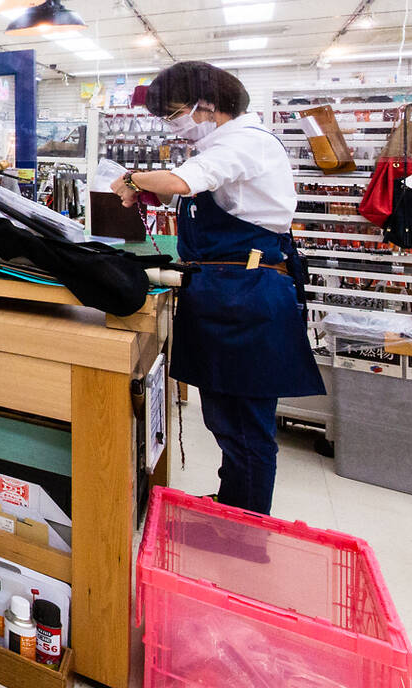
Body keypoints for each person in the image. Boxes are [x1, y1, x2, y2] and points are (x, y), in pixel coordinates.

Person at [115, 61, 323, 515]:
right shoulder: (224, 145)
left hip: (247, 297)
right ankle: (234, 504)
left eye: (172, 115)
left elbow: (181, 182)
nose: (173, 126)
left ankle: (246, 530)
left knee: (246, 427)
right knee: (226, 420)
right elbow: (196, 192)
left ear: (206, 105)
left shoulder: (246, 141)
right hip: (228, 294)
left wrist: (133, 180)